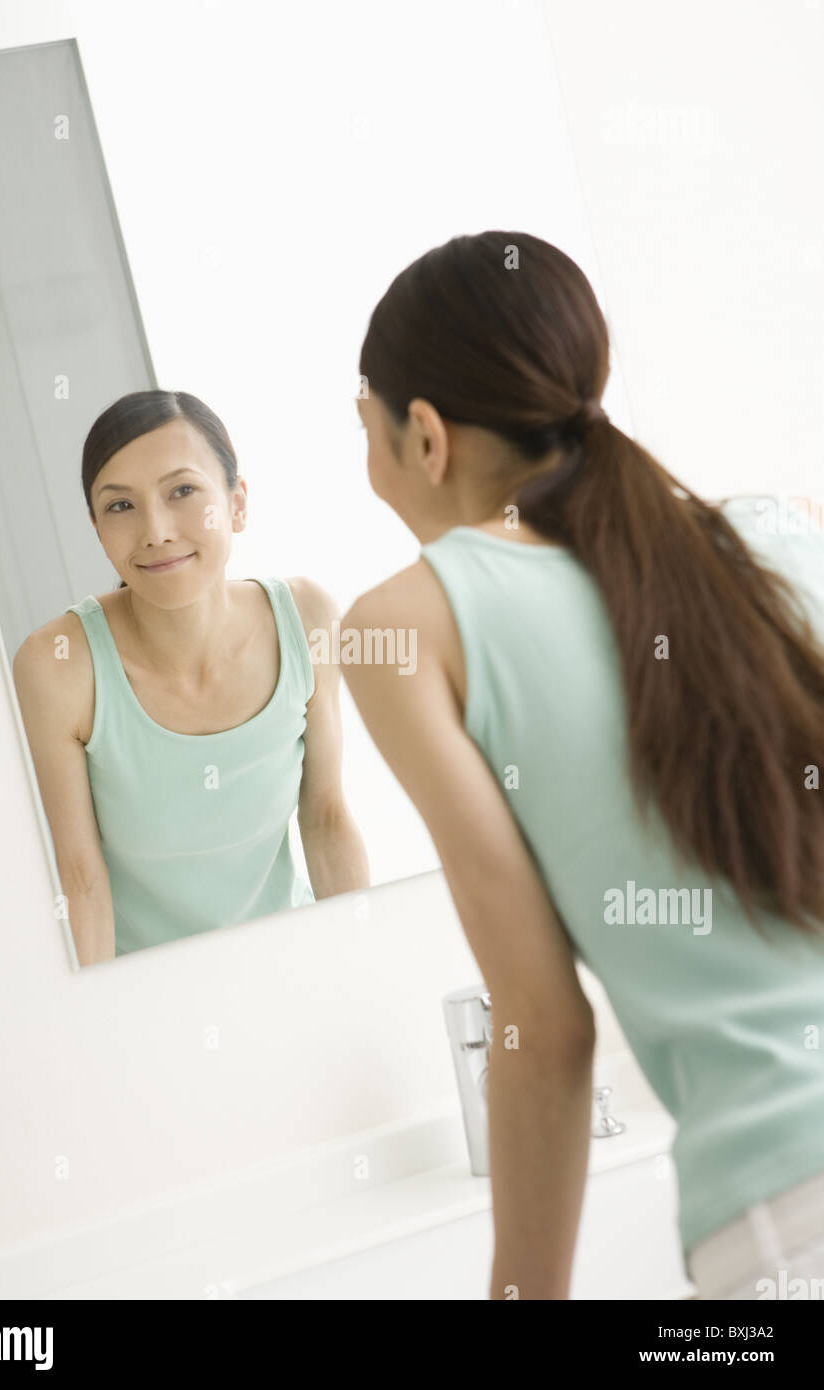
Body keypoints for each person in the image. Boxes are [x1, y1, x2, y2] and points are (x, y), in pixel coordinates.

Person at [340, 229, 824, 1301]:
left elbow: (543, 1025)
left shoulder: (407, 626)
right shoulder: (781, 535)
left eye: (362, 430)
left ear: (424, 436)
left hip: (787, 1216)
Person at [13, 390, 369, 965]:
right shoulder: (58, 663)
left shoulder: (306, 619)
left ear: (237, 504)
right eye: (120, 506)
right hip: (147, 995)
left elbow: (326, 817)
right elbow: (81, 879)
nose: (155, 530)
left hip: (299, 963)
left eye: (182, 491)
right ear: (97, 528)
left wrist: (363, 967)